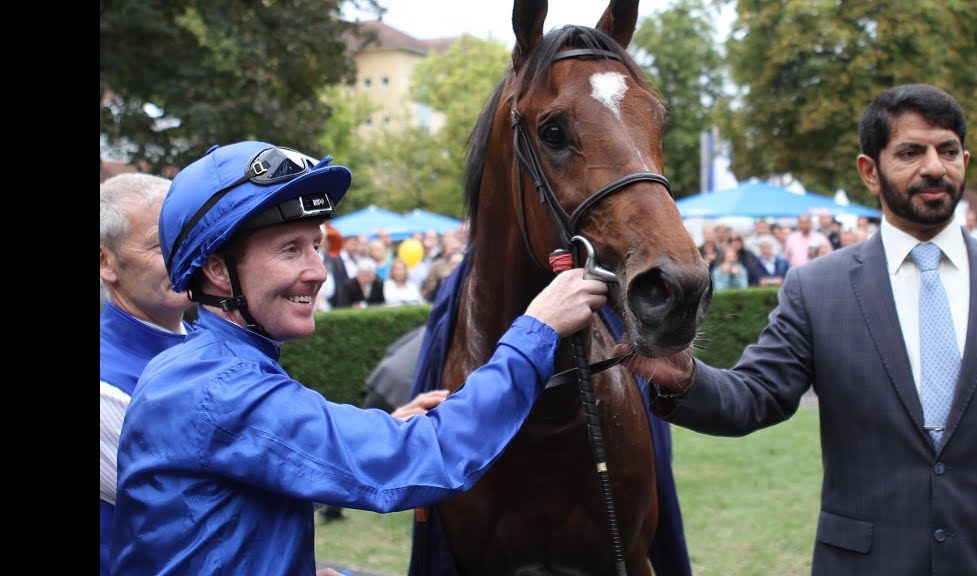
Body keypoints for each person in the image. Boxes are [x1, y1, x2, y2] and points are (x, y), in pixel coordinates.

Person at [621, 84, 977, 574]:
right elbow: (756, 394)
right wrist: (685, 378)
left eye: (947, 150)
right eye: (910, 152)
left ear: (966, 158)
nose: (935, 167)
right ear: (869, 171)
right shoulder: (817, 290)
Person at [110, 141, 608, 574]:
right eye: (290, 249)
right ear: (218, 271)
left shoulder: (208, 366)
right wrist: (536, 330)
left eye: (315, 247)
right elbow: (419, 460)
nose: (317, 272)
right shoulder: (219, 387)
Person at [99, 173, 195, 576]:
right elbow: (201, 509)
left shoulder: (211, 344)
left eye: (187, 237)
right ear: (106, 262)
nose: (185, 256)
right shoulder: (105, 381)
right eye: (160, 246)